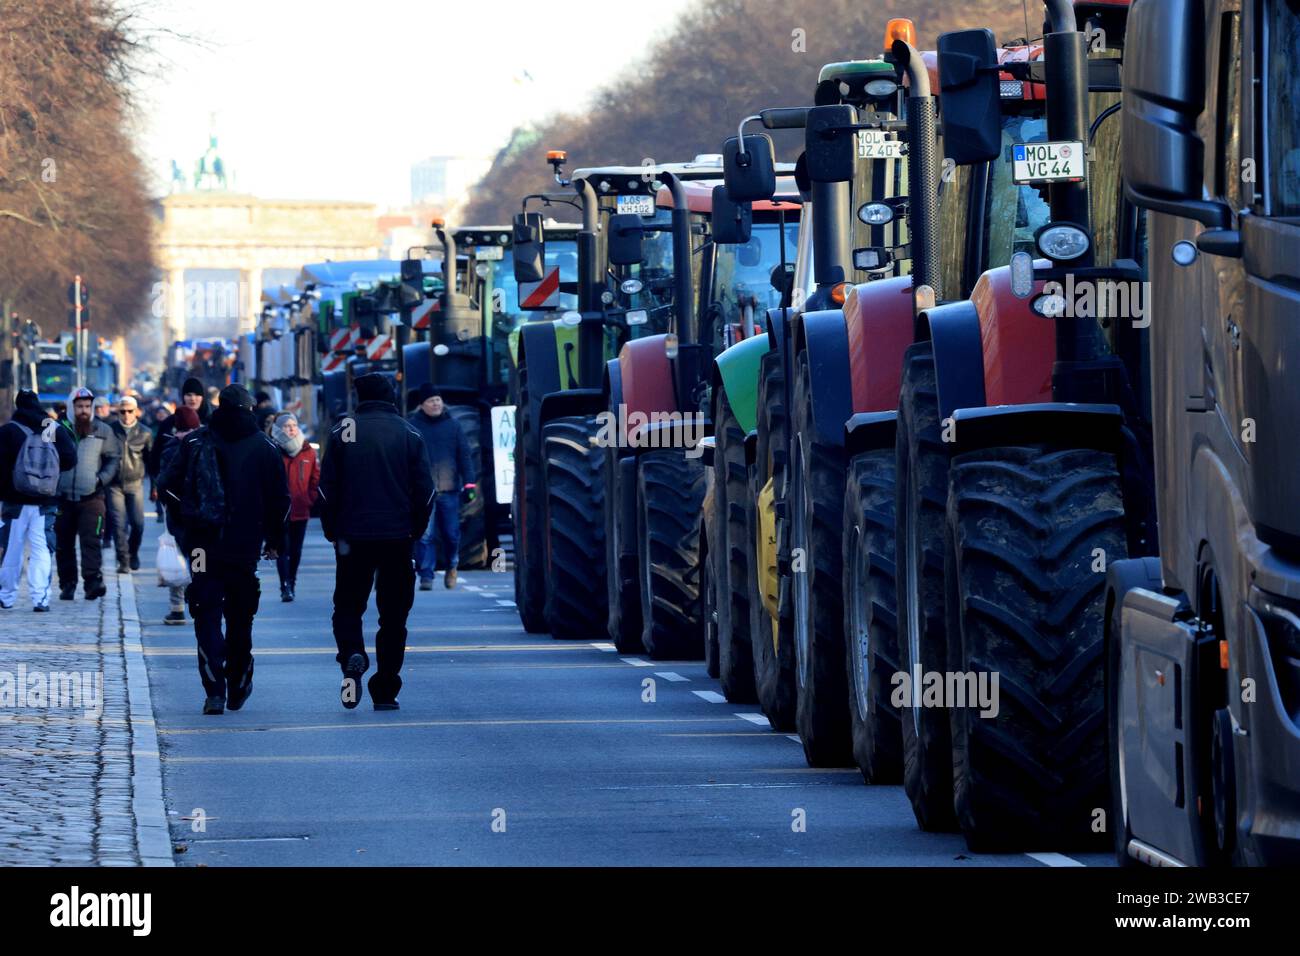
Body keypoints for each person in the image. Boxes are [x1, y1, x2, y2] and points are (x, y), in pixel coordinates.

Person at [159, 384, 288, 715]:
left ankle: (214, 688)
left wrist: (184, 525)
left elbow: (166, 487)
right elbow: (280, 500)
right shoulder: (264, 447)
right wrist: (274, 540)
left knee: (205, 613)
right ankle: (238, 683)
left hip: (202, 545)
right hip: (243, 545)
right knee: (241, 617)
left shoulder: (196, 441)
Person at [319, 373, 432, 711]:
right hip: (397, 537)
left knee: (348, 606)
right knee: (394, 616)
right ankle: (385, 689)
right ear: (392, 396)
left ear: (359, 397)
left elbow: (326, 490)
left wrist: (332, 529)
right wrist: (415, 529)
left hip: (352, 538)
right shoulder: (409, 432)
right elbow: (426, 491)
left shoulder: (344, 432)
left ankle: (353, 652)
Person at [0, 390, 77, 611]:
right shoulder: (50, 427)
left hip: (14, 501)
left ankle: (7, 596)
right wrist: (48, 475)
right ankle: (40, 597)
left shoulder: (8, 431)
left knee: (12, 548)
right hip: (45, 500)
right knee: (41, 548)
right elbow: (70, 458)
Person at [406, 383, 475, 590]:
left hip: (449, 489)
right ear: (421, 405)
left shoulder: (453, 426)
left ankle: (452, 566)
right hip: (423, 492)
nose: (436, 404)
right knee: (424, 536)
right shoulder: (412, 427)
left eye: (438, 400)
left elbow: (464, 456)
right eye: (431, 401)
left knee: (451, 534)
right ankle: (426, 575)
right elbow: (406, 459)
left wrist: (470, 484)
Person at [55, 387, 121, 601]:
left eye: (87, 406)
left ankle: (92, 582)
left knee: (91, 542)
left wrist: (101, 478)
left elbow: (113, 458)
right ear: (72, 407)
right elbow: (46, 456)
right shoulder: (58, 429)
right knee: (63, 544)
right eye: (79, 406)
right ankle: (68, 584)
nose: (83, 410)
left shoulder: (103, 430)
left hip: (92, 497)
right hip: (62, 498)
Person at [154, 405, 200, 626]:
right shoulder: (203, 444)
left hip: (178, 515)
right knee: (197, 557)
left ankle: (178, 607)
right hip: (198, 517)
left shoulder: (171, 448)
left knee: (179, 559)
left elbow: (164, 484)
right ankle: (200, 596)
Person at [270, 412, 318, 602]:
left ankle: (292, 581)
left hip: (300, 508)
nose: (291, 429)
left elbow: (315, 479)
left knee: (296, 550)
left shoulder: (308, 451)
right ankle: (285, 585)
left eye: (294, 425)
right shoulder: (273, 450)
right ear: (279, 429)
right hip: (280, 511)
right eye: (287, 426)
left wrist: (309, 499)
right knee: (283, 549)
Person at [108, 396, 153, 573]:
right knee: (118, 525)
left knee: (138, 524)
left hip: (135, 483)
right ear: (118, 412)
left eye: (130, 411)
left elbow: (151, 462)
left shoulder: (145, 432)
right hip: (114, 484)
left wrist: (155, 487)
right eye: (122, 411)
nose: (126, 415)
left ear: (137, 412)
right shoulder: (110, 430)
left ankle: (133, 553)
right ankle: (123, 561)